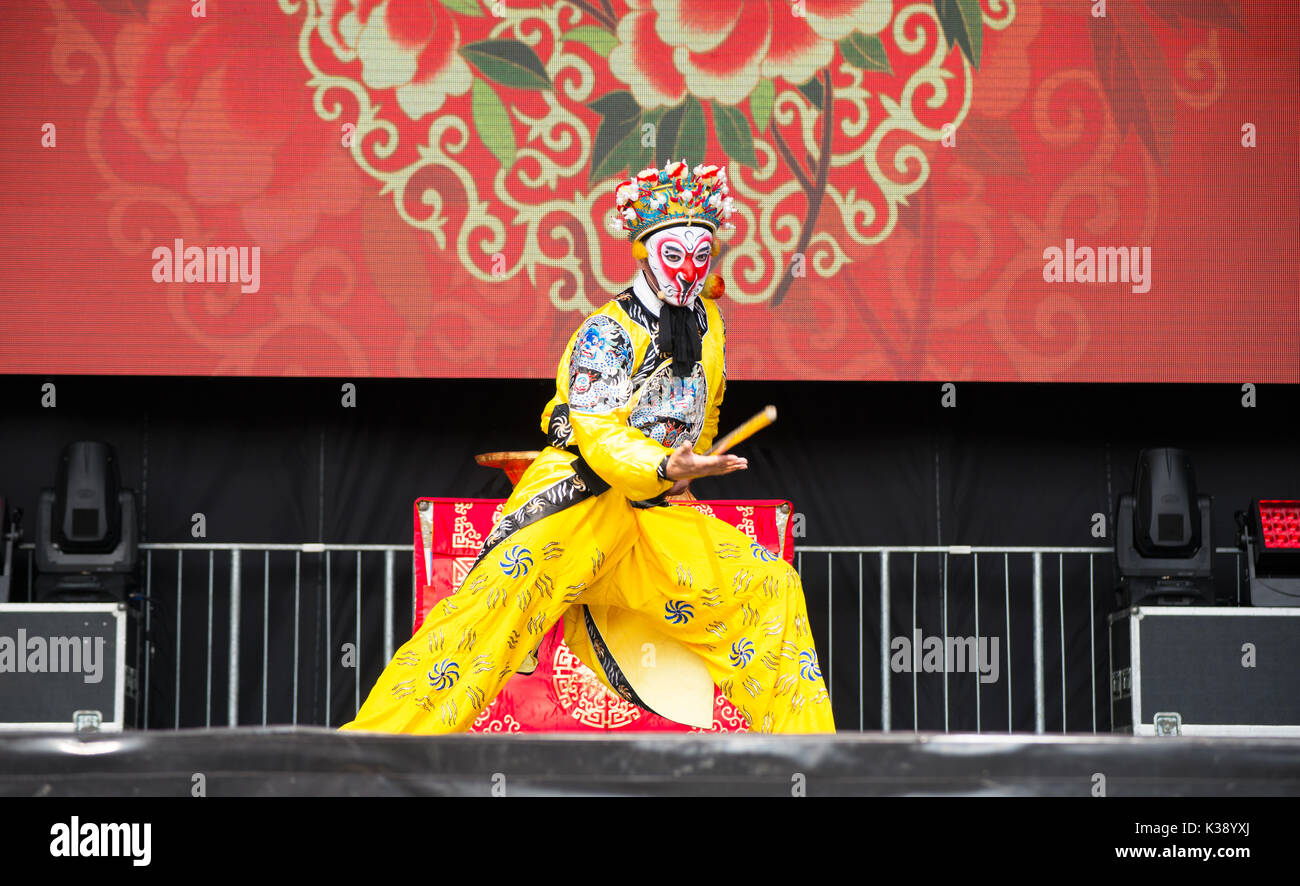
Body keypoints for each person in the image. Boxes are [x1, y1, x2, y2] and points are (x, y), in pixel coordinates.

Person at [341, 159, 835, 734]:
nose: (687, 272)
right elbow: (597, 430)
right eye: (673, 256)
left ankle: (812, 760)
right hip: (577, 505)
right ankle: (367, 753)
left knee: (767, 587)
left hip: (648, 518)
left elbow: (705, 408)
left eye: (701, 257)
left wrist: (687, 468)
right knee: (475, 634)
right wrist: (662, 463)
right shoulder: (606, 331)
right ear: (646, 254)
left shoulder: (710, 326)